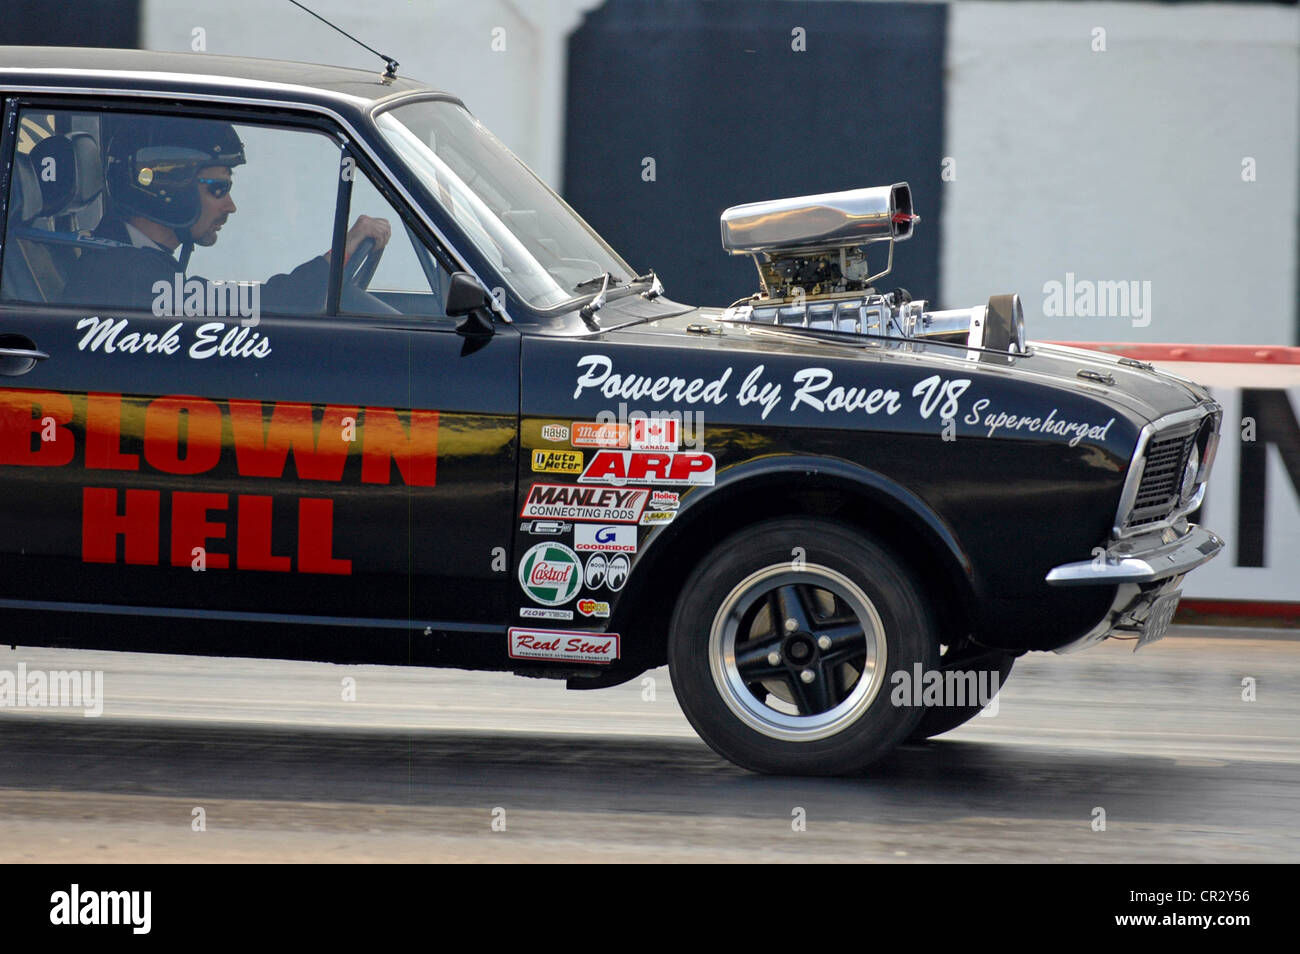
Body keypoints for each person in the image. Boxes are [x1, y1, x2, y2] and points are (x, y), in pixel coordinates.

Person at [61, 116, 389, 313]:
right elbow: (268, 306)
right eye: (218, 188)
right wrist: (341, 251)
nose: (230, 205)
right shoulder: (127, 276)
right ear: (170, 187)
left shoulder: (130, 258)